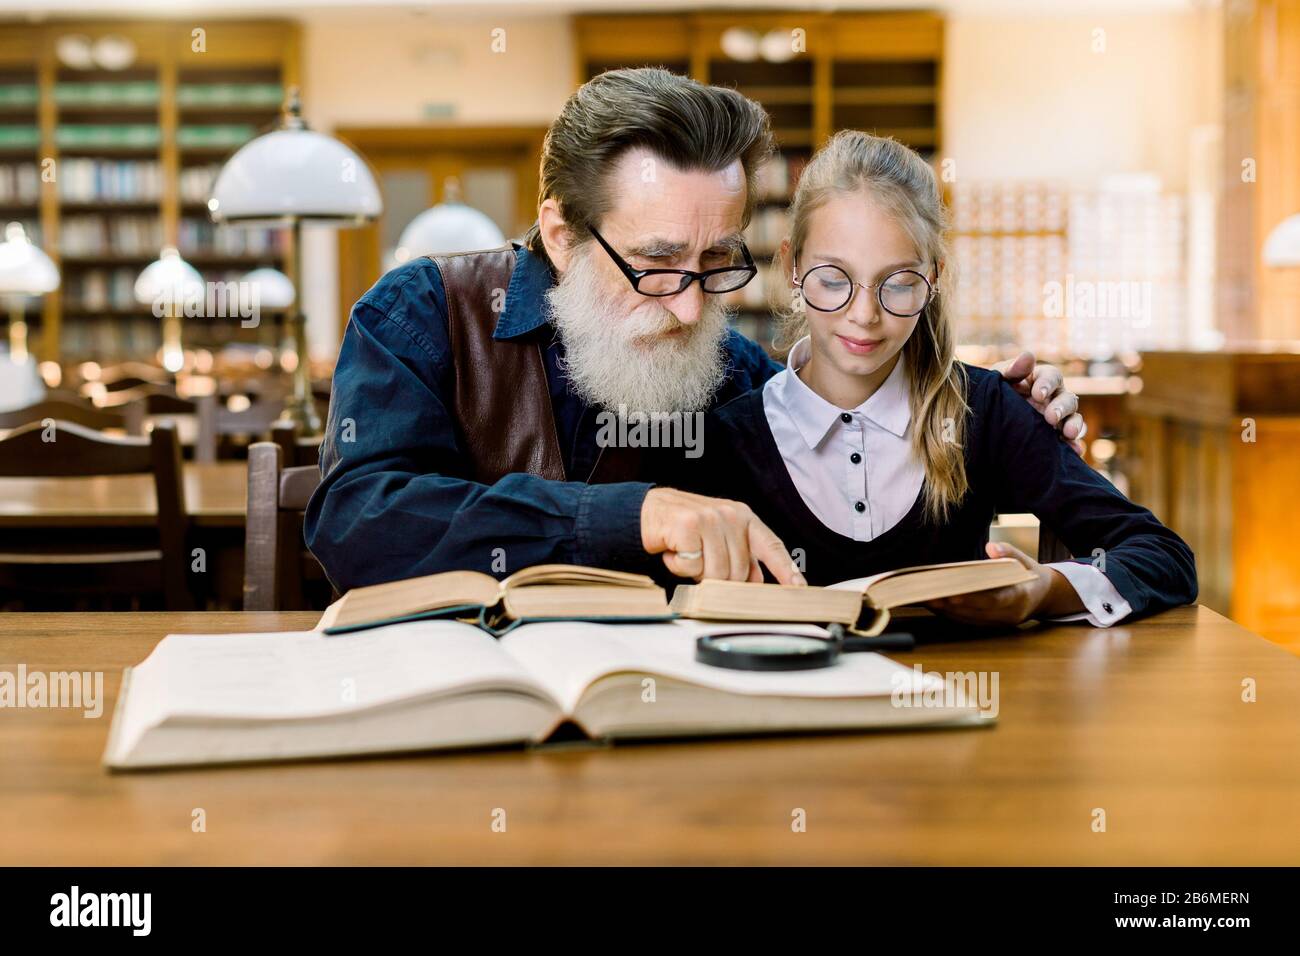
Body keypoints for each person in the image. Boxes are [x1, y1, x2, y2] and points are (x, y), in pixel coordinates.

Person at [305, 68, 1088, 594]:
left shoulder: (739, 376)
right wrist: (633, 514)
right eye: (655, 263)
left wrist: (992, 411)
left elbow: (856, 525)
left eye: (716, 261)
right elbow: (358, 521)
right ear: (561, 235)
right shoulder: (420, 313)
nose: (688, 308)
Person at [667, 129, 1196, 626]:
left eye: (898, 283)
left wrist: (1040, 589)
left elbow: (1165, 557)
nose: (864, 315)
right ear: (792, 269)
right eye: (834, 280)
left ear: (933, 277)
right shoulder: (725, 438)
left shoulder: (984, 409)